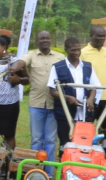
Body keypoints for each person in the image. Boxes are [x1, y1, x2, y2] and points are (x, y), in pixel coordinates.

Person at [8, 31, 65, 168]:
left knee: (51, 140)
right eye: (41, 38)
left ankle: (49, 173)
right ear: (37, 40)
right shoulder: (31, 55)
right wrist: (13, 68)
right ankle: (34, 172)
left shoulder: (60, 57)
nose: (45, 40)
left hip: (54, 104)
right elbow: (21, 62)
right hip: (36, 104)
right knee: (36, 140)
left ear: (50, 39)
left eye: (47, 38)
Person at [47, 36, 102, 146]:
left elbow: (94, 87)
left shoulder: (87, 67)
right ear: (66, 49)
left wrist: (91, 99)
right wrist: (67, 98)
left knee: (84, 143)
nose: (77, 52)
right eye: (73, 50)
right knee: (65, 143)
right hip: (65, 113)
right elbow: (52, 91)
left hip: (84, 113)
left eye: (78, 49)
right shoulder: (58, 67)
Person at [0, 35, 26, 150]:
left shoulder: (16, 63)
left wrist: (19, 80)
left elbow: (27, 80)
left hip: (11, 105)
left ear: (4, 47)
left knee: (9, 135)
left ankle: (9, 163)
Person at [81, 25, 106, 129]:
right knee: (86, 130)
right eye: (99, 36)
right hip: (90, 98)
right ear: (91, 36)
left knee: (104, 131)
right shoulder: (83, 53)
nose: (102, 38)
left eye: (104, 36)